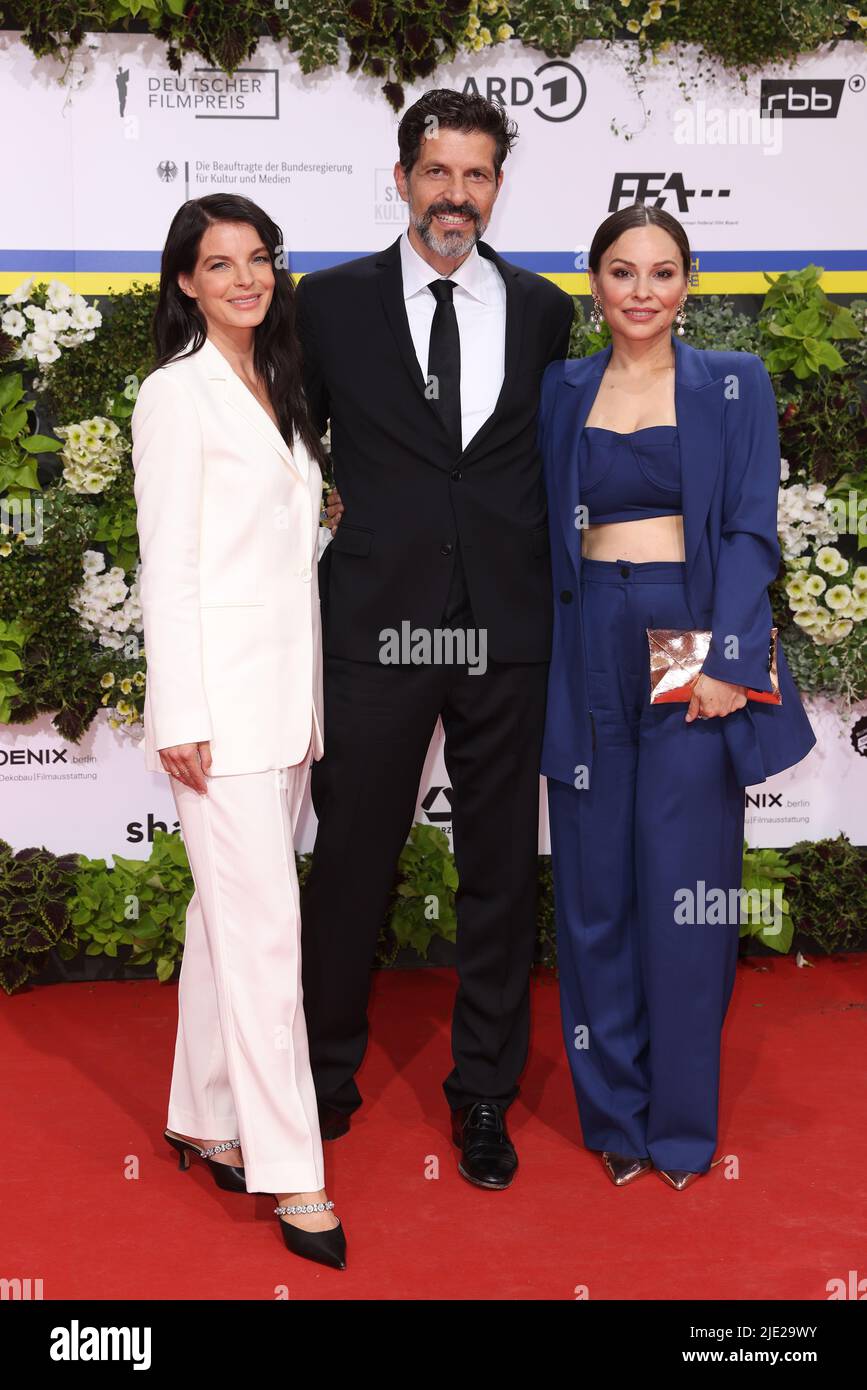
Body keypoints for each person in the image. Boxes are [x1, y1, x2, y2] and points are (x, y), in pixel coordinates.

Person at [295, 89, 574, 1189]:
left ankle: (484, 1096)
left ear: (498, 184)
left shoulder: (547, 310)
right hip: (378, 622)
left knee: (500, 869)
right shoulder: (328, 305)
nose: (457, 195)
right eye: (438, 172)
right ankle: (318, 1074)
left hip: (507, 626)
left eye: (478, 175)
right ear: (403, 175)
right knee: (353, 860)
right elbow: (286, 443)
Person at [538, 204, 816, 1190]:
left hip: (684, 634)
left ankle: (682, 1128)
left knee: (687, 890)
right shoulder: (562, 387)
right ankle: (613, 1117)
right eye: (623, 272)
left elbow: (749, 527)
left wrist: (728, 658)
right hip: (586, 640)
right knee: (594, 889)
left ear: (689, 282)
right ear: (595, 283)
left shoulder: (731, 383)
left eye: (662, 272)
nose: (643, 292)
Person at [131, 193, 346, 1268]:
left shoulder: (281, 386)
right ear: (186, 282)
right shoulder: (176, 397)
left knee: (226, 925)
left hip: (286, 707)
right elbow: (166, 566)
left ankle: (203, 1110)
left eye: (258, 259)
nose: (245, 279)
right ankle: (295, 1170)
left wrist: (316, 518)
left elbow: (256, 550)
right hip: (218, 719)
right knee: (266, 941)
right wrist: (181, 713)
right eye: (220, 266)